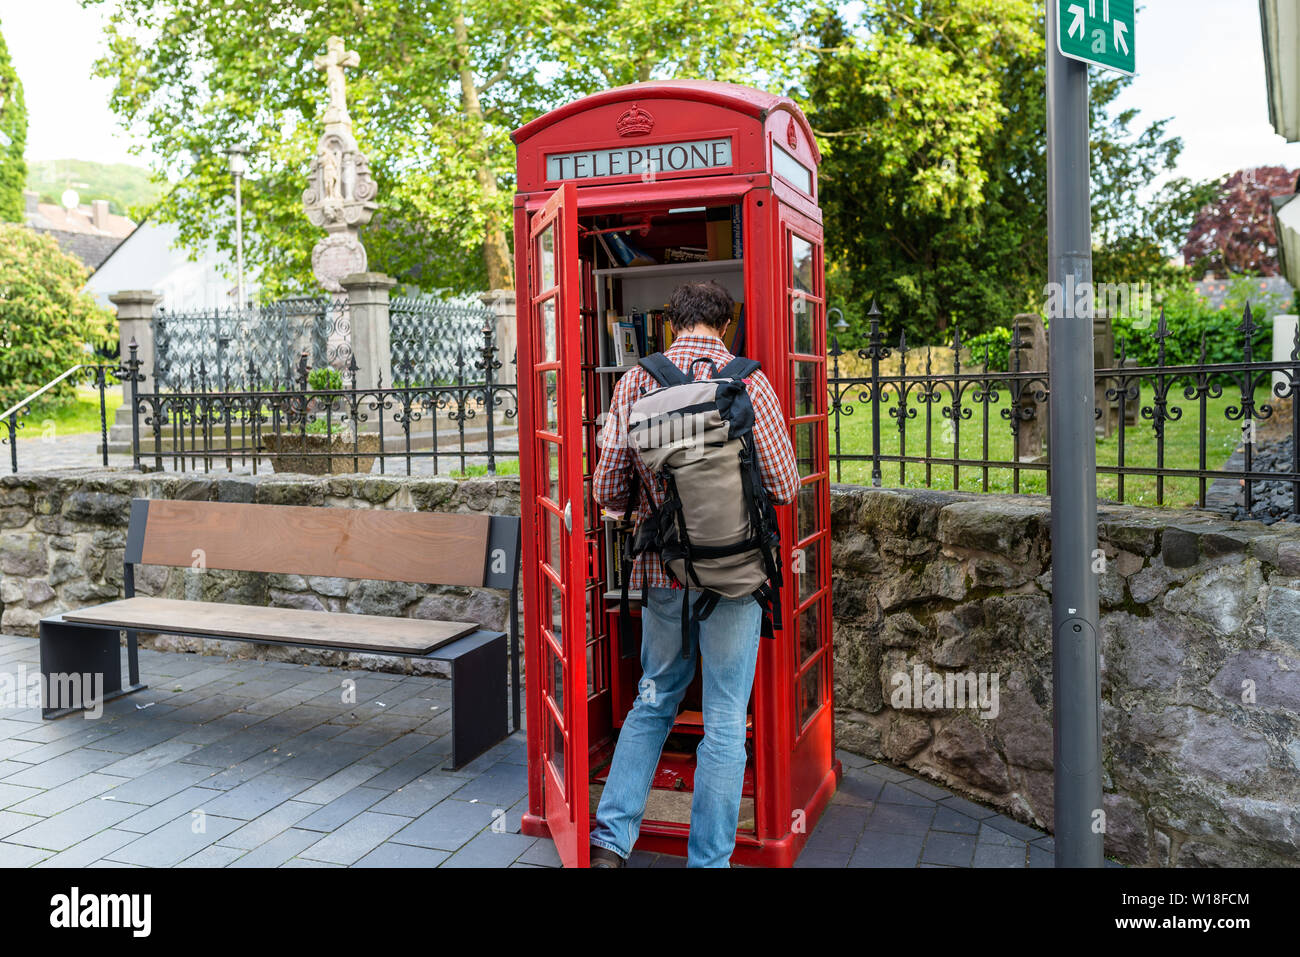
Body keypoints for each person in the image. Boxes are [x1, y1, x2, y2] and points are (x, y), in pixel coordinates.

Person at [589, 279, 799, 868]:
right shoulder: (749, 380)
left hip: (664, 572)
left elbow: (608, 487)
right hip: (736, 573)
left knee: (653, 700)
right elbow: (784, 485)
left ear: (669, 325)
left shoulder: (636, 379)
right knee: (727, 719)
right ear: (726, 326)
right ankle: (710, 861)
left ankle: (610, 841)